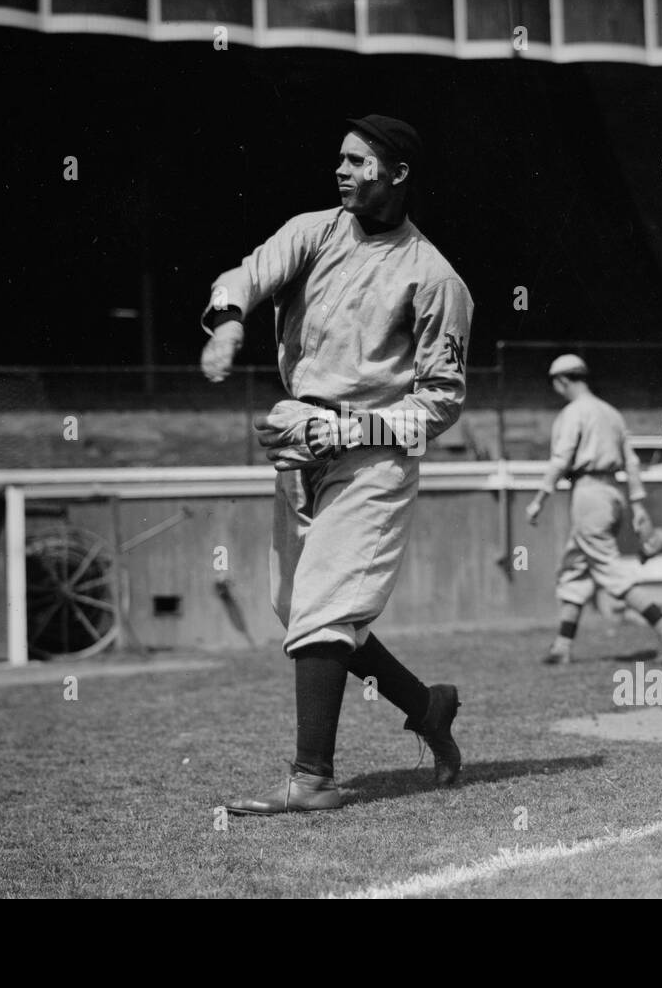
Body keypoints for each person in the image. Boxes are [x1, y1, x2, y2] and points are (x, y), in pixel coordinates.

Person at [199, 115, 475, 814]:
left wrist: (352, 426)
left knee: (323, 606)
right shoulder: (314, 229)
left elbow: (441, 402)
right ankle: (426, 704)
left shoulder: (436, 278)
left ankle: (311, 777)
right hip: (300, 444)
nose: (343, 171)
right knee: (301, 608)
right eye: (340, 160)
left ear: (398, 173)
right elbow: (247, 272)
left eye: (358, 161)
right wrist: (230, 319)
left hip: (373, 457)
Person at [526, 354, 662, 665]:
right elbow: (631, 461)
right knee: (575, 569)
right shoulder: (612, 413)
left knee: (609, 569)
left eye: (555, 384)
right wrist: (638, 505)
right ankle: (562, 646)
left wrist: (540, 498)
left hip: (589, 493)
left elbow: (561, 458)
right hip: (614, 493)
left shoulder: (575, 413)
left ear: (562, 381)